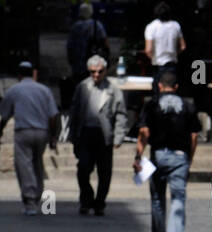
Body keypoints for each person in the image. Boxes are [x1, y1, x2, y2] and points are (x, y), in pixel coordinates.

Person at [133, 68, 199, 232]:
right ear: (176, 87)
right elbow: (194, 136)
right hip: (180, 156)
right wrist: (189, 158)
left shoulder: (152, 104)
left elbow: (144, 132)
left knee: (157, 198)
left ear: (160, 86)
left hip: (158, 155)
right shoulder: (188, 105)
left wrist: (138, 156)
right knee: (178, 197)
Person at [0, 61, 60, 216]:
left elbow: (5, 115)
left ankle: (30, 199)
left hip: (23, 131)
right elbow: (53, 115)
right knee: (37, 163)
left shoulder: (14, 90)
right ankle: (38, 193)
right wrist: (53, 136)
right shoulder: (44, 90)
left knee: (24, 165)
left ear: (19, 75)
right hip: (42, 132)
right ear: (33, 74)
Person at [68, 56, 126, 216]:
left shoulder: (113, 89)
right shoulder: (83, 87)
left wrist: (119, 136)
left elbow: (121, 113)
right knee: (83, 168)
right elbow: (75, 111)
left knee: (105, 171)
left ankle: (100, 202)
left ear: (105, 71)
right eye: (93, 72)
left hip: (104, 134)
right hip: (86, 132)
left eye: (100, 72)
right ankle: (86, 199)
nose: (96, 75)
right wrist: (72, 134)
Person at [65, 3, 108, 101]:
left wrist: (71, 59)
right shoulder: (96, 25)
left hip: (78, 62)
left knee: (80, 86)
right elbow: (105, 42)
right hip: (94, 60)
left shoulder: (75, 26)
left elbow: (70, 45)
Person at [143, 2, 185, 87]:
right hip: (172, 63)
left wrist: (153, 57)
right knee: (172, 88)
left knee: (158, 91)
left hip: (158, 64)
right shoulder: (176, 25)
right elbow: (183, 46)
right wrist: (174, 54)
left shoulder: (151, 27)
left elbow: (148, 50)